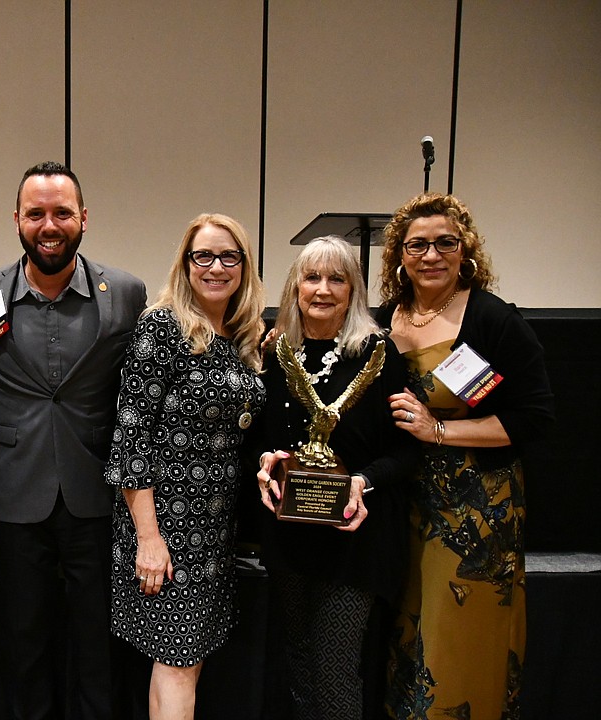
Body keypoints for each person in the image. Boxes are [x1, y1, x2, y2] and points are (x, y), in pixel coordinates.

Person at [0, 161, 146, 719]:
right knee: (24, 640)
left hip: (98, 489)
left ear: (83, 218)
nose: (49, 225)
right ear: (17, 219)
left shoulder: (125, 293)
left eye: (62, 213)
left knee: (97, 640)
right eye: (35, 213)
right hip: (16, 490)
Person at [376, 193, 555, 719]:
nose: (432, 255)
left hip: (476, 511)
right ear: (400, 255)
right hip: (405, 505)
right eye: (418, 245)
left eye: (445, 243)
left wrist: (439, 431)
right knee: (408, 633)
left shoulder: (493, 320)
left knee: (459, 637)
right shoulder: (386, 319)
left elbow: (535, 418)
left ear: (465, 251)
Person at [105, 213, 265, 719]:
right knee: (177, 662)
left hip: (215, 529)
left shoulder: (242, 335)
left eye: (229, 256)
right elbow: (131, 437)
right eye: (204, 256)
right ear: (186, 263)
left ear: (244, 266)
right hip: (166, 527)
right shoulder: (162, 326)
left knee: (184, 663)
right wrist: (149, 539)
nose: (216, 267)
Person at [254, 236, 415, 719]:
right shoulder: (275, 352)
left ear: (353, 291)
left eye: (336, 279)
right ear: (295, 287)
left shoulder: (379, 355)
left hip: (354, 539)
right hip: (290, 536)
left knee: (336, 672)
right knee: (300, 665)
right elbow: (259, 438)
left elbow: (407, 450)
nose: (322, 289)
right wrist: (265, 463)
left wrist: (362, 481)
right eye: (312, 277)